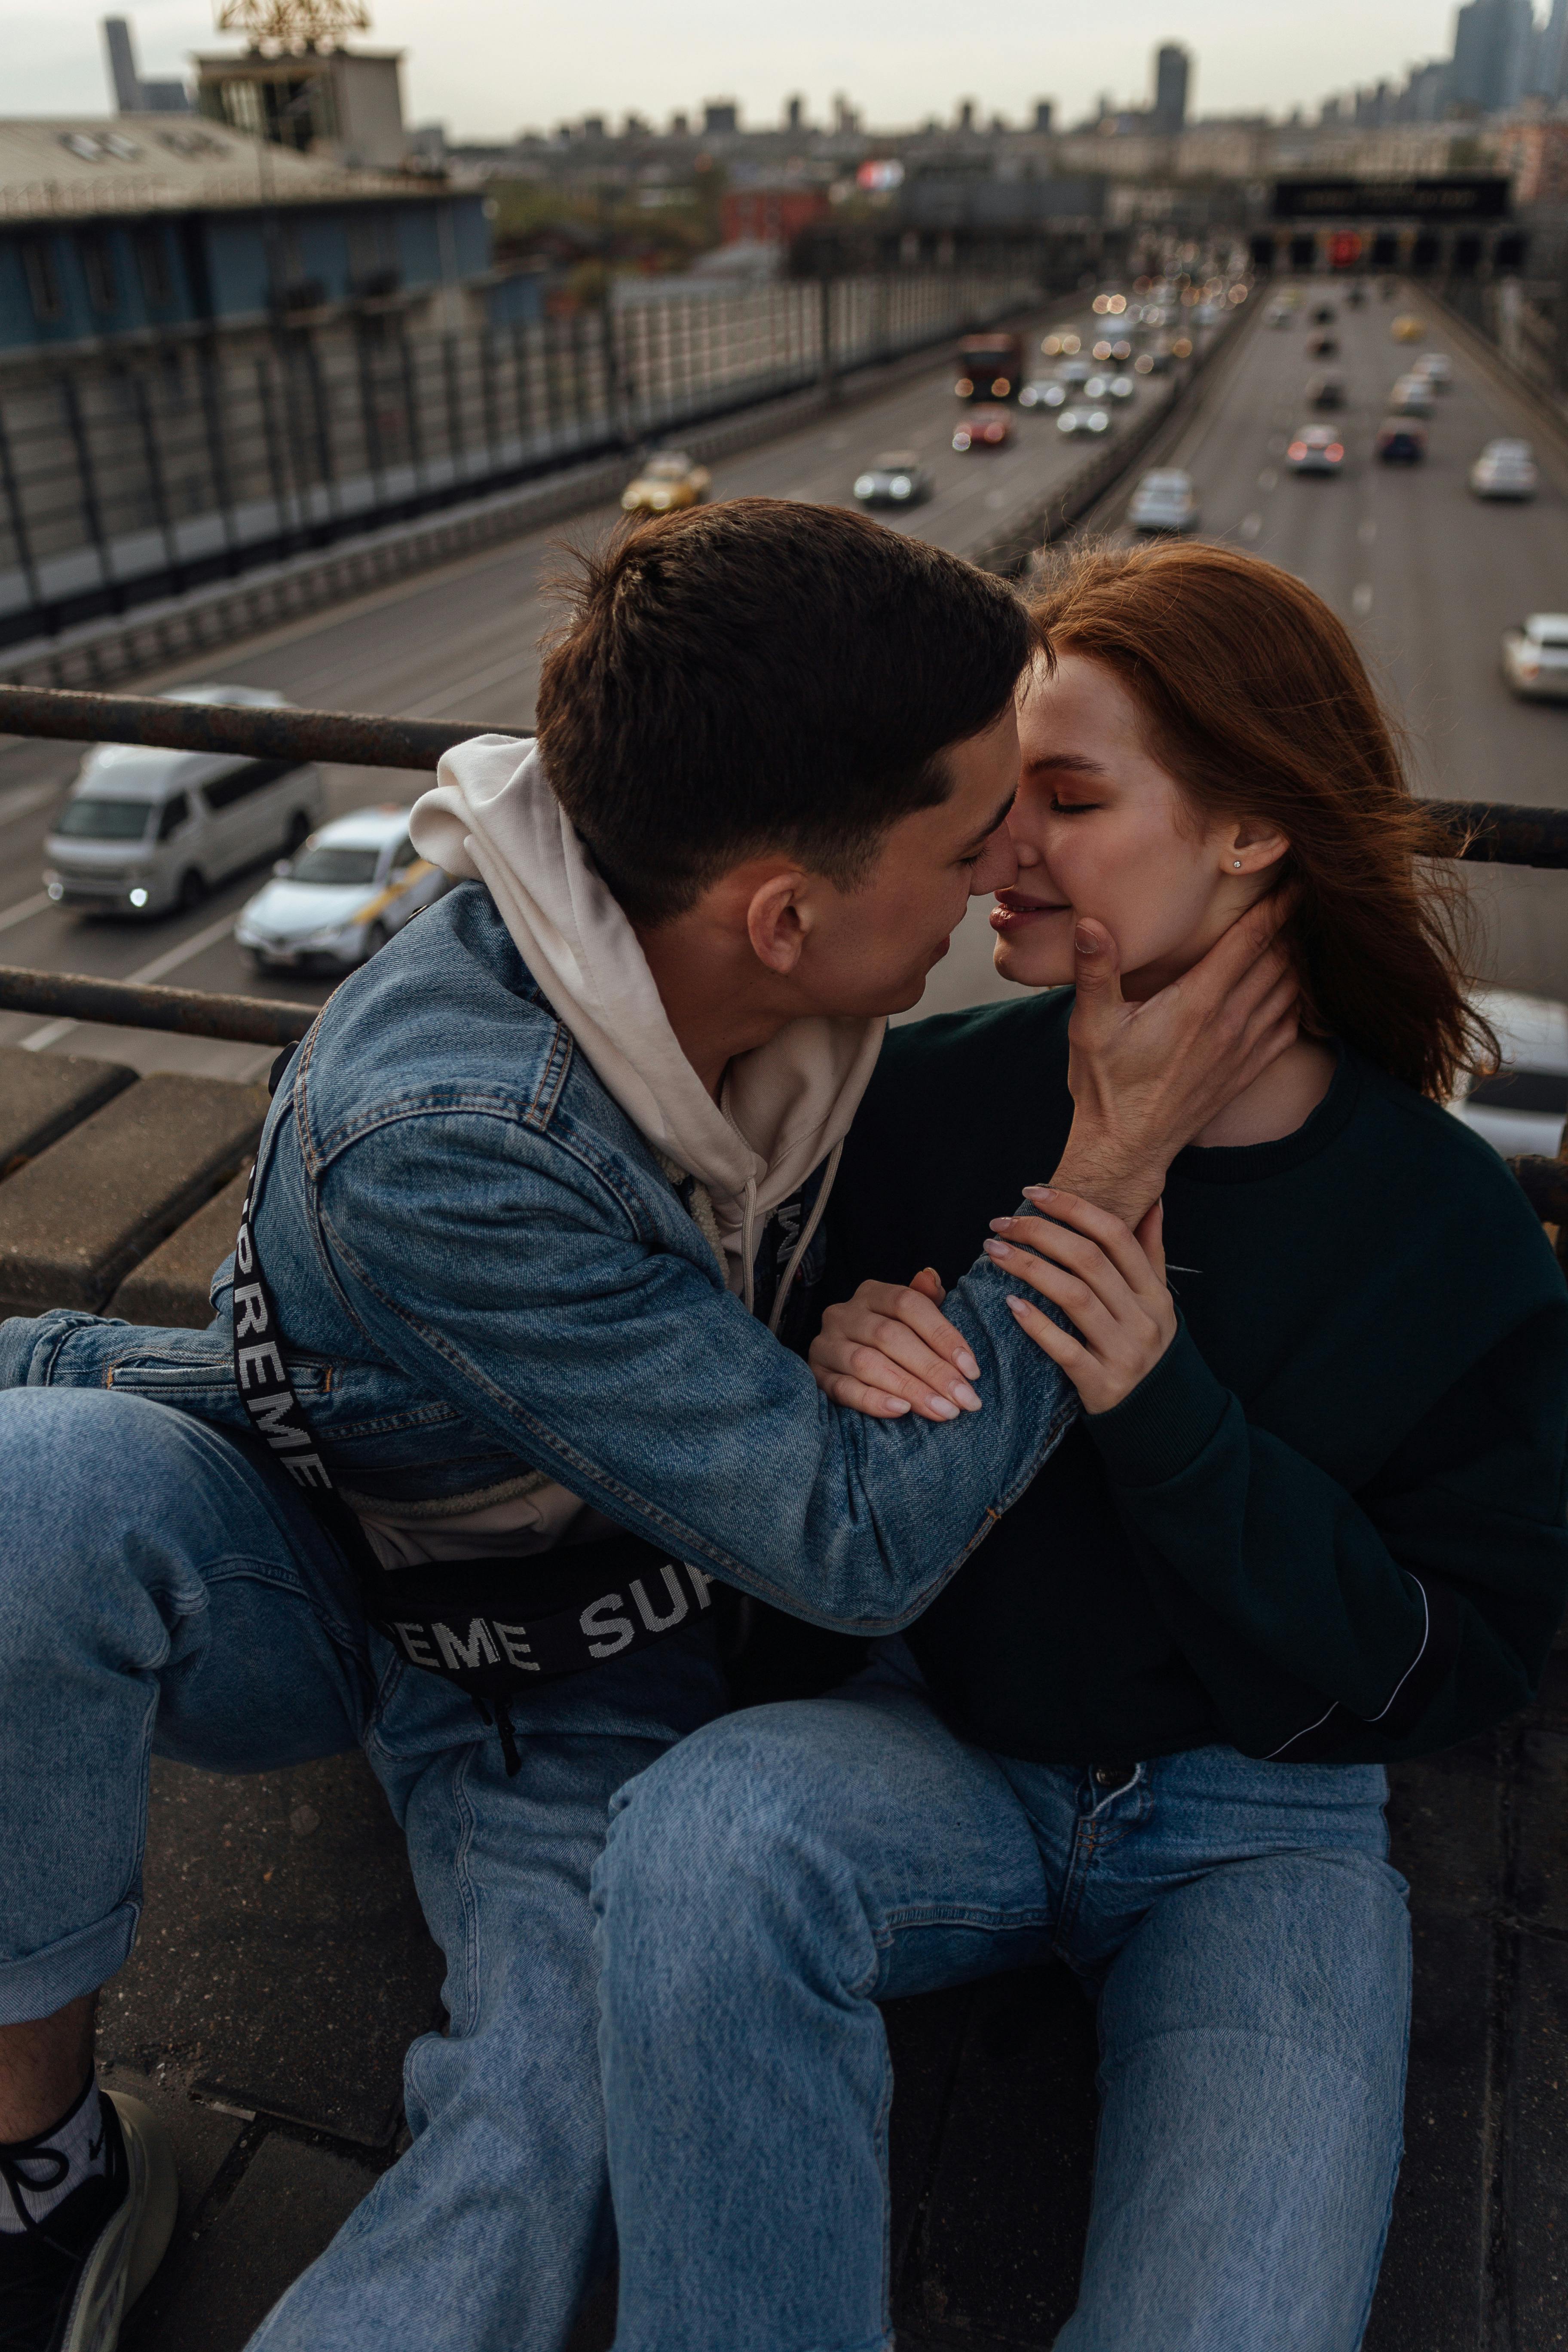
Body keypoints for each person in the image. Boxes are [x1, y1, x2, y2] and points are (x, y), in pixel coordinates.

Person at [0, 505, 1295, 2352]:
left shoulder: (697, 877)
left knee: (547, 2136)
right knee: (33, 1497)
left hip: (577, 1640)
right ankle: (42, 2168)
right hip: (336, 1563)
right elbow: (850, 1543)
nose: (1007, 862)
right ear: (787, 915)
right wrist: (1112, 1162)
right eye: (967, 832)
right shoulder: (457, 1129)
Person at [590, 541, 1568, 2352]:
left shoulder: (1447, 1222)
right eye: (996, 795)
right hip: (937, 1748)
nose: (994, 849)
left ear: (1257, 829)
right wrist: (816, 1389)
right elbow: (783, 1617)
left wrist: (1168, 1411)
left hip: (1256, 1830)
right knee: (695, 1852)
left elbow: (1457, 1666)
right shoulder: (924, 1093)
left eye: (1069, 797)